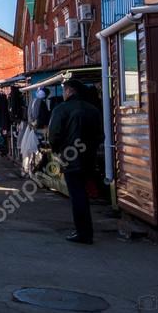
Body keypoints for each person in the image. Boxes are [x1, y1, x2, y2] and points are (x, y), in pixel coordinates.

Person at [48, 79, 103, 245]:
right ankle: (85, 230)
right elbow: (100, 135)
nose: (64, 93)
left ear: (70, 91)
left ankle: (83, 233)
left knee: (77, 195)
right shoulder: (93, 110)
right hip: (89, 158)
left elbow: (54, 134)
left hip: (70, 158)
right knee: (83, 193)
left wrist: (57, 150)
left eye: (64, 90)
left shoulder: (62, 109)